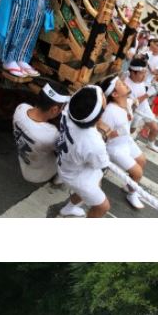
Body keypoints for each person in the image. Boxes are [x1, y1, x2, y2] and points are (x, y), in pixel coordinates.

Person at [56, 85, 111, 218]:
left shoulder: (69, 109)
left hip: (65, 162)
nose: (103, 95)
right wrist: (104, 134)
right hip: (75, 176)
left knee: (95, 184)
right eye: (103, 98)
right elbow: (99, 165)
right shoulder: (94, 142)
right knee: (103, 206)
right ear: (98, 116)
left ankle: (68, 208)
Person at [99, 75, 148, 210]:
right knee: (138, 173)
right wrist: (118, 132)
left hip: (126, 140)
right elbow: (102, 137)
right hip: (115, 147)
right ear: (115, 94)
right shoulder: (110, 112)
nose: (124, 83)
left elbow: (133, 102)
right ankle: (132, 194)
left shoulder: (127, 101)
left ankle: (129, 187)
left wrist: (138, 100)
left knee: (142, 161)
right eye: (120, 84)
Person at [15, 81, 69, 184]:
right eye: (62, 108)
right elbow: (66, 151)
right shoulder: (51, 133)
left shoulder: (21, 108)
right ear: (54, 110)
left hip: (24, 161)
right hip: (41, 174)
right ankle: (59, 178)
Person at [122, 58, 158, 153]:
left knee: (155, 129)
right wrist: (148, 94)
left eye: (145, 72)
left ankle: (150, 144)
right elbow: (133, 103)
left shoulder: (141, 79)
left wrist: (156, 82)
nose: (144, 75)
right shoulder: (125, 84)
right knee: (130, 131)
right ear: (133, 73)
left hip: (144, 107)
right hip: (134, 111)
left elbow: (151, 82)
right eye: (142, 73)